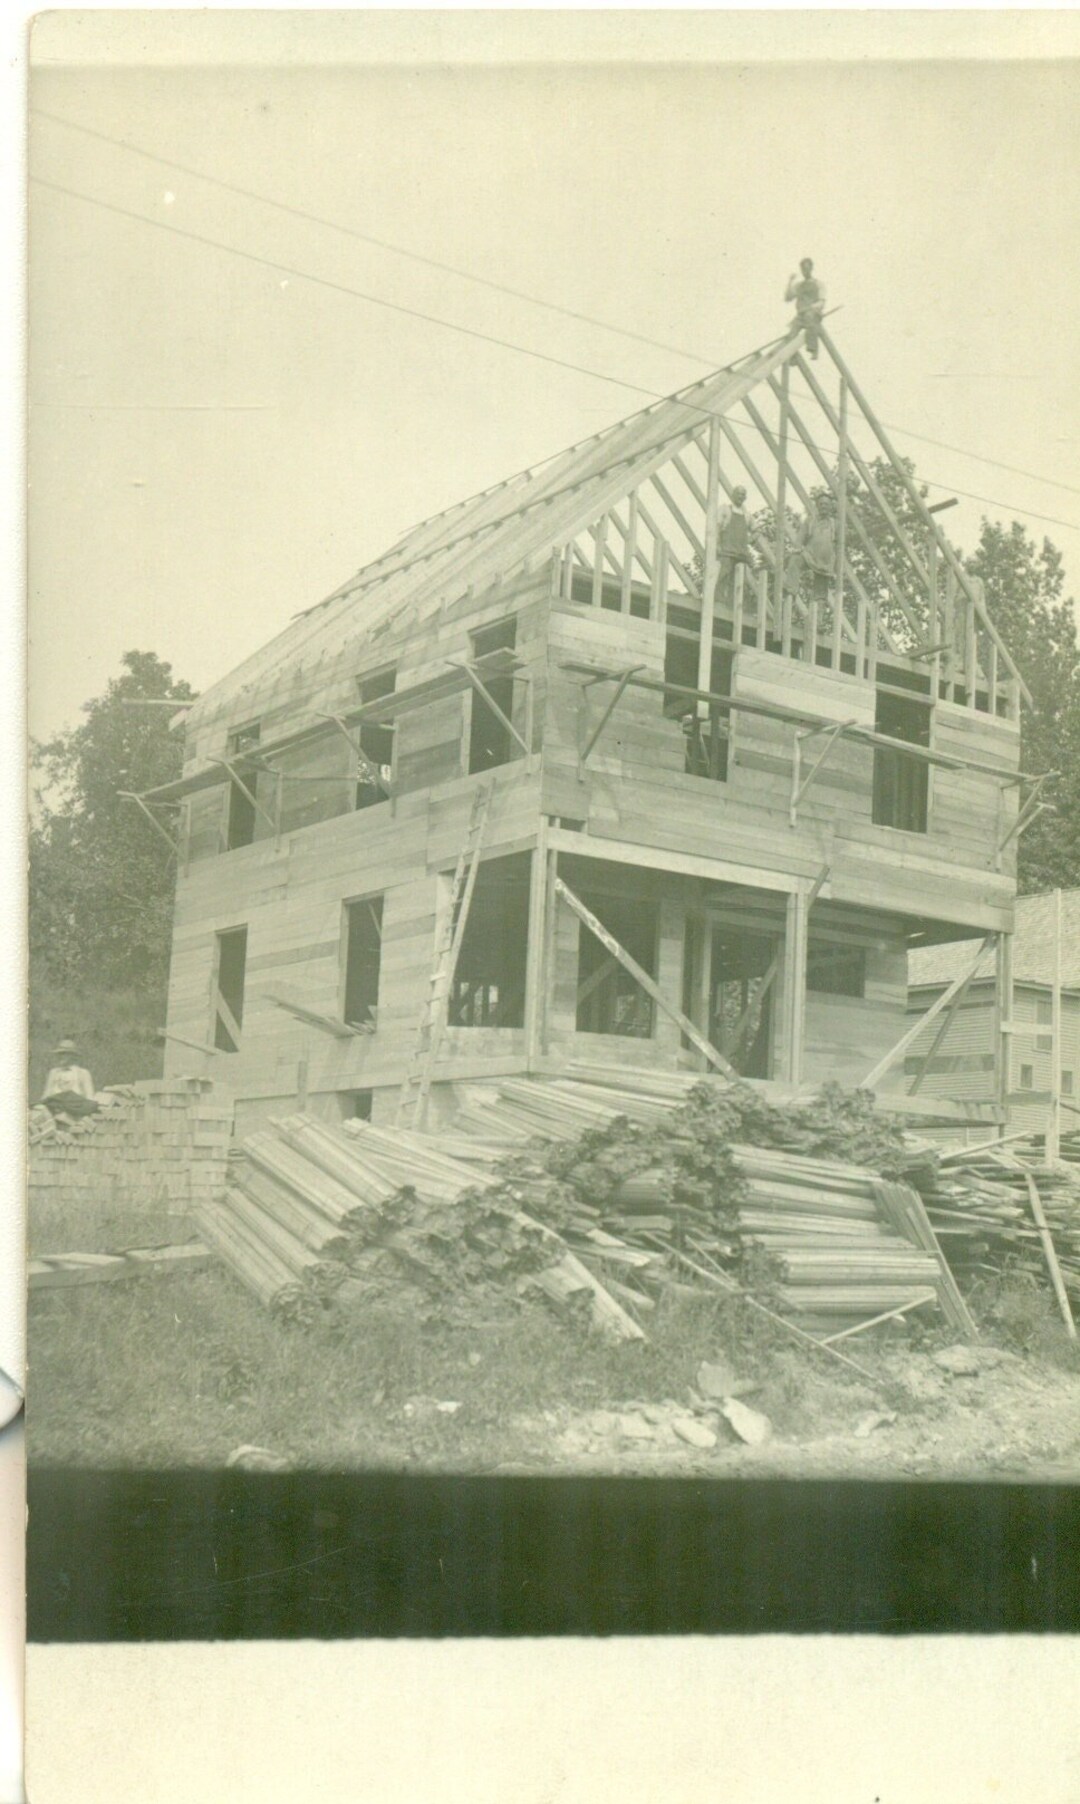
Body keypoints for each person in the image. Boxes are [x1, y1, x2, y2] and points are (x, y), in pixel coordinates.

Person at [716, 486, 754, 608]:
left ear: (745, 498)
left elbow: (756, 530)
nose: (740, 497)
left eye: (743, 494)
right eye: (738, 494)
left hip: (741, 553)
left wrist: (749, 540)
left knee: (738, 580)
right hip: (727, 550)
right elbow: (717, 527)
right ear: (733, 495)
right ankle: (719, 602)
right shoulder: (725, 510)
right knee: (723, 575)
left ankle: (732, 606)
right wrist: (717, 544)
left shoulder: (747, 515)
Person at [41, 1039, 99, 1118]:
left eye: (64, 1054)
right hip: (53, 1113)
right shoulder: (53, 1072)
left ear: (72, 1055)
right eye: (59, 1054)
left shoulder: (83, 1073)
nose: (60, 1057)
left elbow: (90, 1098)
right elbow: (46, 1096)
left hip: (74, 1114)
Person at [785, 259, 826, 358]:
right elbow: (788, 297)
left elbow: (822, 301)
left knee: (810, 321)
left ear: (811, 269)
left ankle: (813, 349)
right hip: (801, 314)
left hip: (813, 313)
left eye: (807, 269)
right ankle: (792, 357)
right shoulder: (799, 285)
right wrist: (790, 281)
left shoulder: (818, 284)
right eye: (803, 269)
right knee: (792, 332)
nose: (805, 271)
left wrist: (813, 307)